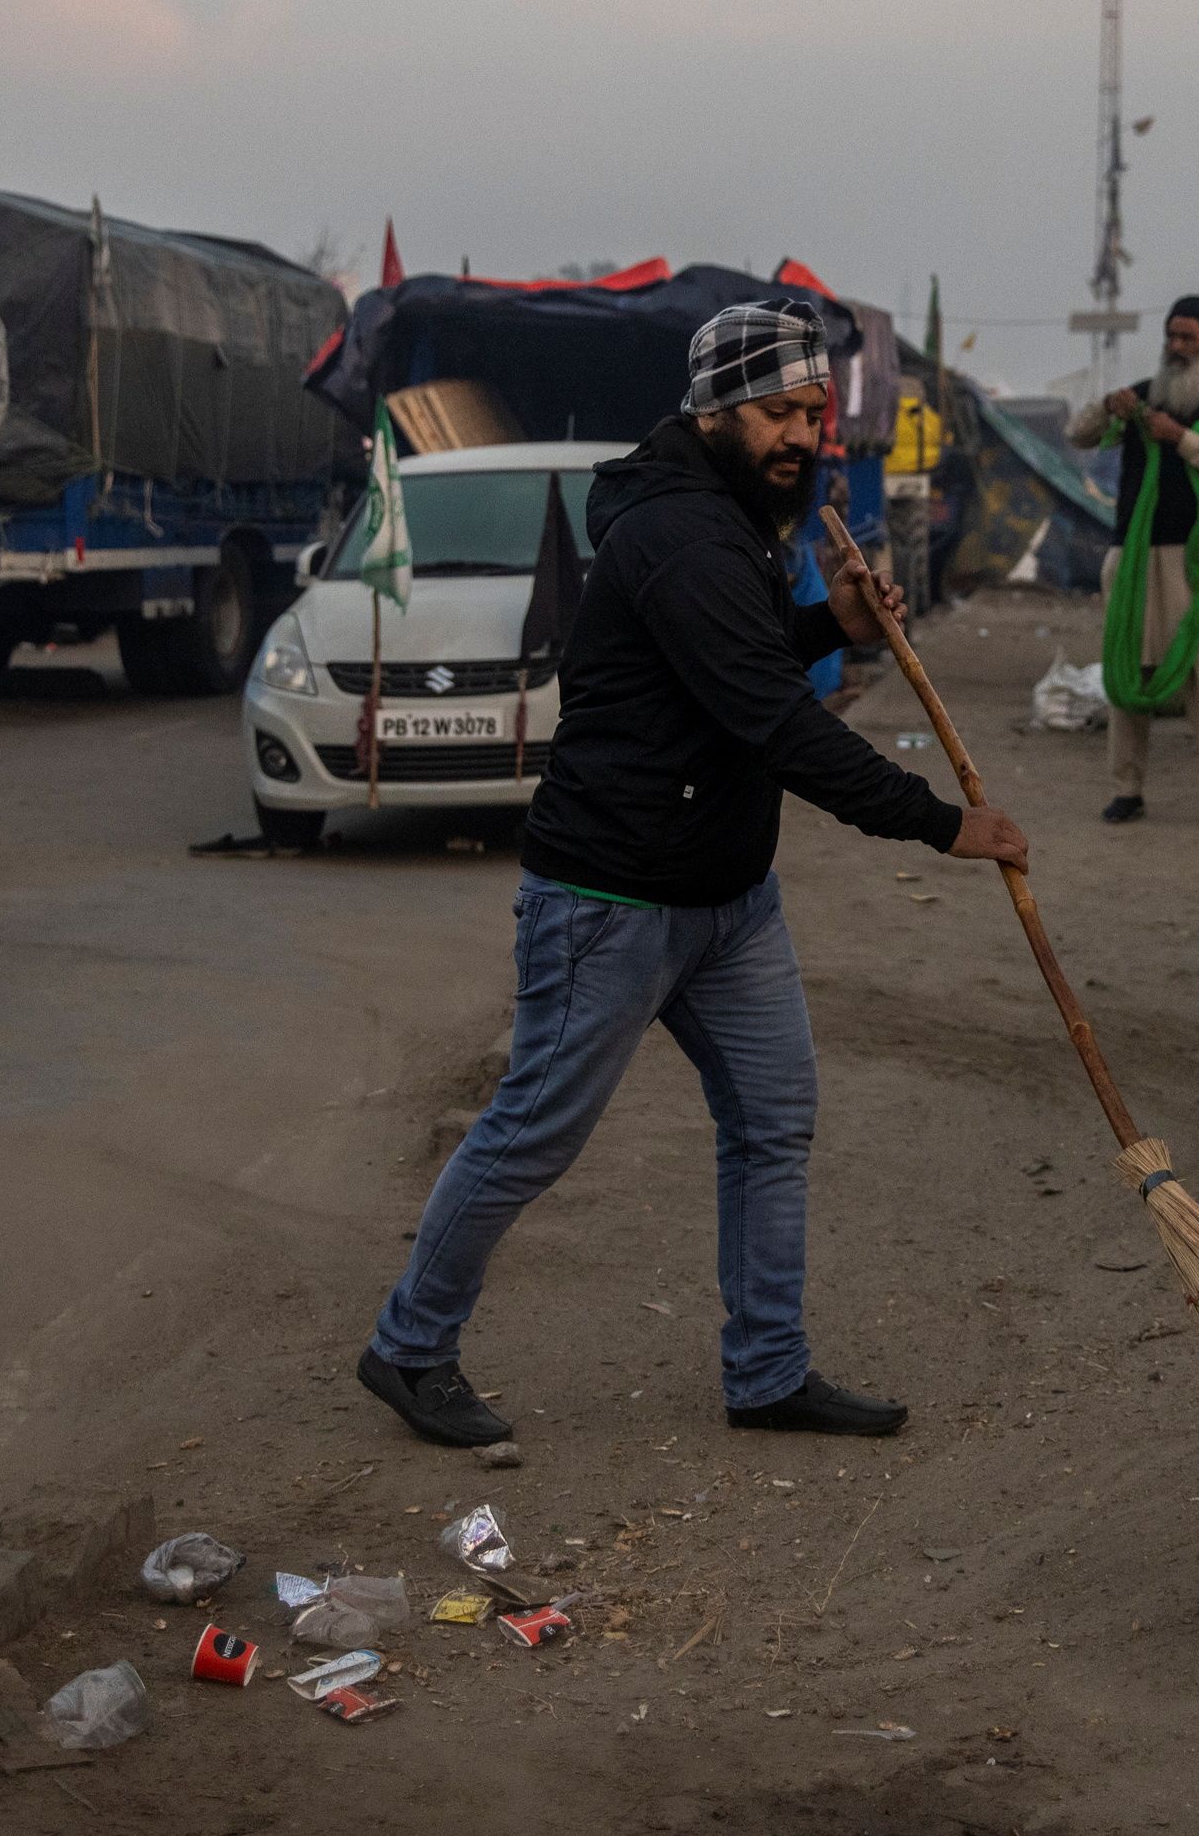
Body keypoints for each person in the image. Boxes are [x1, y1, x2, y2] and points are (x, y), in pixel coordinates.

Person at [358, 301, 1029, 1447]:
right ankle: (408, 1347)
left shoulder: (735, 522)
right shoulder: (676, 533)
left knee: (773, 1117)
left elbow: (742, 661)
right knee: (533, 1131)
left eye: (813, 414)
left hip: (726, 900)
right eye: (777, 412)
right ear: (713, 412)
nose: (802, 436)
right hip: (609, 901)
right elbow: (769, 719)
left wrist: (834, 623)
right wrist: (935, 824)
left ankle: (766, 1370)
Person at [1068, 295, 1199, 829]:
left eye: (1187, 338)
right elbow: (1078, 435)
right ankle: (1126, 789)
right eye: (1170, 335)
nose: (1175, 346)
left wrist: (1183, 440)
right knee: (1128, 667)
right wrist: (1108, 406)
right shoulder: (1140, 401)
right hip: (1135, 555)